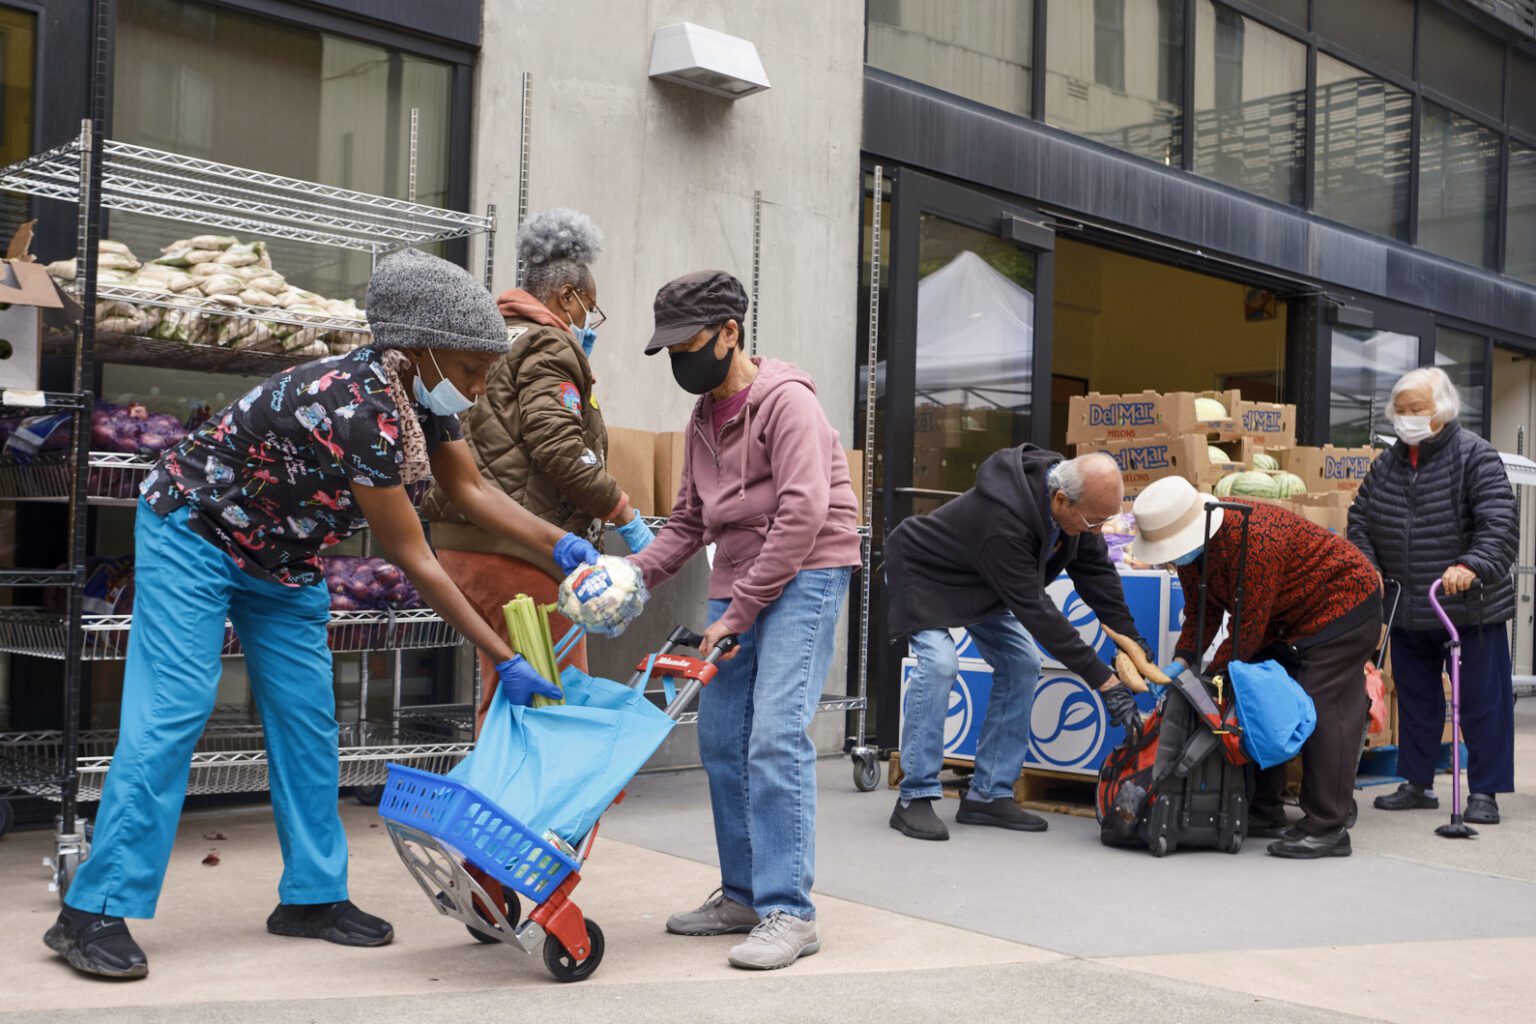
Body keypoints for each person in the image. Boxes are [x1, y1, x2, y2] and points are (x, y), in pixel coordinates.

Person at [45, 250, 612, 980]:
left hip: (280, 555)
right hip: (195, 530)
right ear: (419, 349)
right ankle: (90, 910)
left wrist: (561, 541)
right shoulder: (361, 407)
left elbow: (470, 491)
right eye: (471, 371)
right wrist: (504, 657)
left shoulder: (419, 398)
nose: (476, 388)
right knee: (174, 712)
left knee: (308, 720)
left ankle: (311, 897)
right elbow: (418, 558)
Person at [627, 270, 860, 971]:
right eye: (668, 351)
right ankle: (743, 894)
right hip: (744, 576)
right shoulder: (703, 419)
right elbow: (690, 522)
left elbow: (803, 514)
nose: (681, 362)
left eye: (689, 345)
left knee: (774, 736)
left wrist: (741, 609)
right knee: (724, 739)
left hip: (810, 568)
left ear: (731, 333)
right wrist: (627, 577)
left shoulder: (788, 404)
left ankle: (791, 910)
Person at [423, 208, 651, 729]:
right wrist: (623, 514)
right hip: (521, 550)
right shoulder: (550, 343)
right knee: (555, 704)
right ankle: (546, 814)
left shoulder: (493, 335)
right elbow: (559, 447)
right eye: (588, 308)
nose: (587, 322)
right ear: (567, 296)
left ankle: (495, 806)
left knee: (507, 695)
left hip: (463, 543)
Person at [884, 450, 1154, 842]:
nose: (1098, 531)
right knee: (940, 664)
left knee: (1022, 664)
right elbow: (1038, 612)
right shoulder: (1003, 521)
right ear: (1061, 501)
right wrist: (1106, 683)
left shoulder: (1077, 511)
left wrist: (1132, 641)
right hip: (924, 571)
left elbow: (1098, 577)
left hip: (984, 580)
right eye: (1094, 522)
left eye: (1104, 521)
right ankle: (915, 796)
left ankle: (988, 794)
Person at [1131, 476, 1383, 859]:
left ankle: (1328, 826)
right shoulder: (1192, 546)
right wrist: (1183, 661)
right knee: (1257, 703)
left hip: (1342, 605)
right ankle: (1264, 809)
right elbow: (1204, 609)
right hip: (1285, 618)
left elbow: (1247, 628)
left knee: (1321, 708)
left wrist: (1205, 681)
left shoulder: (1255, 538)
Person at [1348, 366, 1516, 824]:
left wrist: (1471, 566)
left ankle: (1486, 791)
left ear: (1441, 410)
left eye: (1416, 410)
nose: (1406, 419)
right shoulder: (1386, 465)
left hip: (1466, 605)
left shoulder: (1475, 456)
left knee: (1483, 702)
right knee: (1419, 700)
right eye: (1400, 411)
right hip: (1408, 605)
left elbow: (1499, 525)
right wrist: (1369, 566)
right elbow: (1359, 519)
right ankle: (1417, 783)